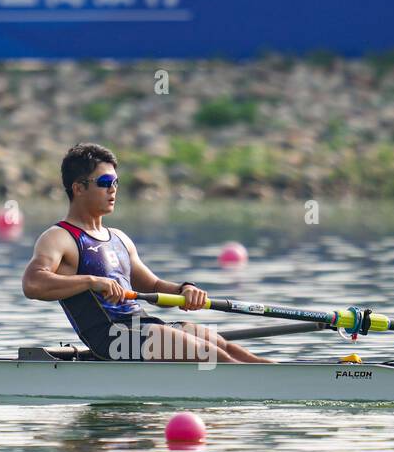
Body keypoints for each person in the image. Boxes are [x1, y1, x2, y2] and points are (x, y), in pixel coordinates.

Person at [21, 143, 271, 363]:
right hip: (112, 338)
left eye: (116, 182)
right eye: (105, 183)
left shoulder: (119, 238)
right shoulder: (59, 237)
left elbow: (151, 284)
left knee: (229, 349)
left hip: (141, 327)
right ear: (78, 188)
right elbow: (33, 284)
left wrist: (184, 289)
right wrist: (92, 281)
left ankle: (278, 378)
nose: (113, 190)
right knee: (213, 356)